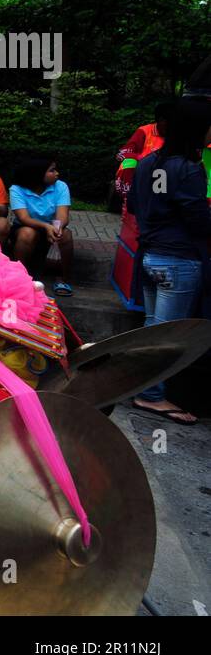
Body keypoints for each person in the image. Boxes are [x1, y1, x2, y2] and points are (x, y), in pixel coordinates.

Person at [127, 103, 209, 424]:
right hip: (178, 261)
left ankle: (142, 388)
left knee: (153, 327)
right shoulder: (189, 168)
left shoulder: (148, 162)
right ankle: (151, 396)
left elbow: (133, 203)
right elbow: (197, 219)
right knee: (167, 334)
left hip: (149, 258)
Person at [9, 155, 74, 297]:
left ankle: (64, 278)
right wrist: (45, 226)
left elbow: (63, 216)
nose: (57, 173)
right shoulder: (16, 189)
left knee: (66, 235)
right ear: (37, 174)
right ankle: (19, 277)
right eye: (52, 170)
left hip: (52, 227)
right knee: (27, 233)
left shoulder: (60, 186)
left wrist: (57, 228)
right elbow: (23, 218)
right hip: (26, 227)